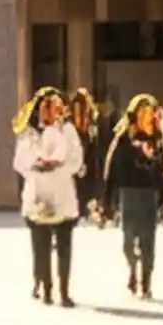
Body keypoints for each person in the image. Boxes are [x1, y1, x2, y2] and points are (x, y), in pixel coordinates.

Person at [12, 86, 82, 308]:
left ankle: (64, 290)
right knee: (40, 247)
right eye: (47, 106)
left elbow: (76, 159)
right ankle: (45, 286)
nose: (52, 111)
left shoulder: (68, 131)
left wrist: (57, 166)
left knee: (64, 246)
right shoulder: (29, 133)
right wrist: (37, 166)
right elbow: (20, 163)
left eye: (56, 107)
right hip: (37, 195)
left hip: (62, 194)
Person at [104, 93, 163, 299]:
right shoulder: (123, 138)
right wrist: (107, 200)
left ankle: (146, 282)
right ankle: (132, 269)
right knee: (128, 242)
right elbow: (111, 168)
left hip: (149, 194)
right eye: (143, 112)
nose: (147, 116)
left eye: (150, 112)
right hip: (128, 193)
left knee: (148, 242)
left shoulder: (158, 139)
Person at [67, 89, 105, 226]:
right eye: (76, 109)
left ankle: (90, 211)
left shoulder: (92, 124)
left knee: (88, 187)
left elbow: (95, 144)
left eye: (82, 108)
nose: (80, 112)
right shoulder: (68, 126)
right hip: (73, 163)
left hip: (89, 161)